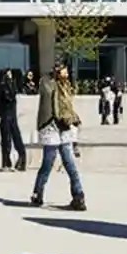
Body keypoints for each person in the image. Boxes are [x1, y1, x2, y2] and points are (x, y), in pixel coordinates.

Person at [29, 62, 86, 211]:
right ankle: (38, 193)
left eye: (67, 72)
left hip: (65, 126)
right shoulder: (47, 83)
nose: (66, 74)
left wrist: (74, 118)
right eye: (63, 72)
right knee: (48, 163)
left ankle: (78, 196)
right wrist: (53, 75)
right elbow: (45, 89)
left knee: (70, 164)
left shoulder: (66, 86)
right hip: (50, 126)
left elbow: (68, 105)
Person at [0, 69, 27, 171]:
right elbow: (3, 99)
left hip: (8, 115)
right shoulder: (2, 87)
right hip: (7, 115)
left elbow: (10, 97)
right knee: (9, 138)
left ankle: (12, 161)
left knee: (11, 138)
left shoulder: (9, 86)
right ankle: (8, 161)